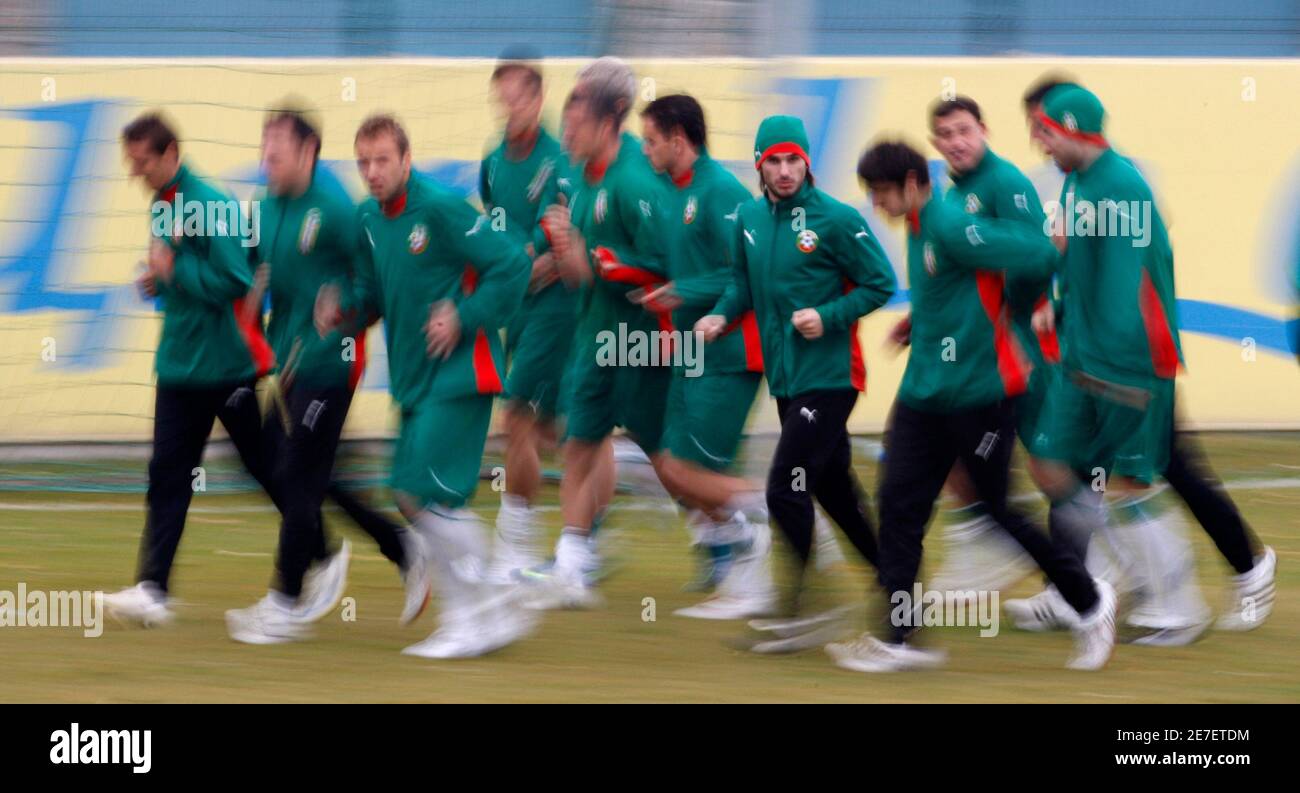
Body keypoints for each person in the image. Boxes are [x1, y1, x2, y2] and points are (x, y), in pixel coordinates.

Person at [833, 139, 1116, 672]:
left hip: (980, 397)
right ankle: (900, 639)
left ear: (915, 185)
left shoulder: (948, 225)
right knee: (898, 508)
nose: (878, 205)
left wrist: (1016, 311)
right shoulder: (922, 229)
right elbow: (955, 292)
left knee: (999, 510)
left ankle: (1090, 601)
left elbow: (1035, 253)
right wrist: (920, 324)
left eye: (883, 193)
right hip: (924, 397)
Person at [316, 114, 533, 658]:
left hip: (462, 373)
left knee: (424, 492)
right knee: (413, 495)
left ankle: (473, 614)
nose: (372, 171)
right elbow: (371, 292)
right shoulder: (369, 218)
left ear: (406, 160)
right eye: (363, 162)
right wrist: (343, 311)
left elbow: (511, 265)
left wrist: (461, 315)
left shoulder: (438, 207)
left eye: (382, 160)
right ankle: (489, 609)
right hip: (416, 379)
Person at [696, 115, 896, 634]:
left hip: (830, 375)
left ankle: (805, 607)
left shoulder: (835, 218)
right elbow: (741, 282)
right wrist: (722, 313)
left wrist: (826, 316)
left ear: (807, 163)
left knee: (785, 486)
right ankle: (898, 588)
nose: (785, 171)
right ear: (760, 165)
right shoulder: (747, 219)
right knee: (834, 491)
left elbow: (880, 283)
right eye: (774, 161)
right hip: (786, 379)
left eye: (794, 160)